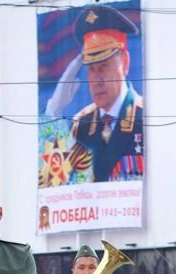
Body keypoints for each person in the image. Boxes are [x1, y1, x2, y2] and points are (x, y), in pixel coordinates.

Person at [67, 5, 144, 183]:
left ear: (124, 63)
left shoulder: (144, 118)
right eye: (92, 69)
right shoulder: (81, 125)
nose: (97, 79)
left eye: (104, 67)